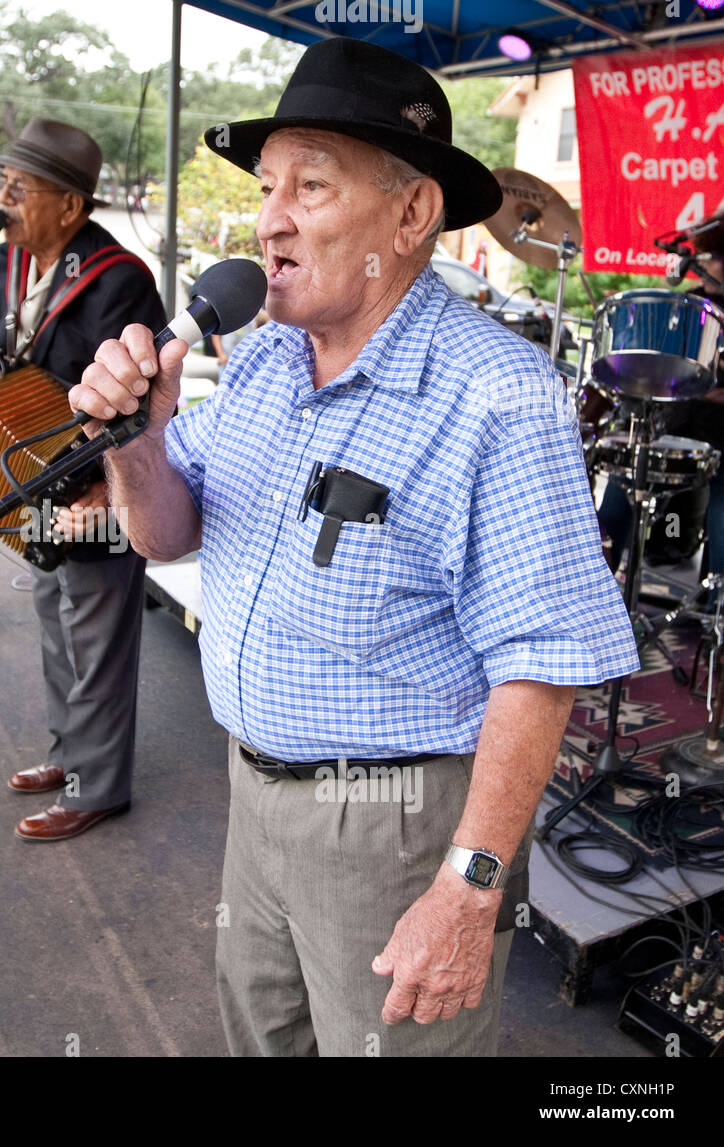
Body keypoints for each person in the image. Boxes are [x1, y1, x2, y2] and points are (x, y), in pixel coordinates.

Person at [68, 39, 638, 1055]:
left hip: (396, 831)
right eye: (267, 186)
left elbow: (542, 667)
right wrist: (139, 438)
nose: (269, 218)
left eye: (312, 186)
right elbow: (165, 532)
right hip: (249, 793)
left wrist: (467, 891)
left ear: (411, 216)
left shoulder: (496, 394)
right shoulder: (265, 358)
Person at [0, 118, 167, 842]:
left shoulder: (120, 280)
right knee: (55, 618)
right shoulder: (6, 263)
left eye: (19, 189)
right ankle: (68, 755)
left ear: (70, 205)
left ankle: (98, 786)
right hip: (36, 476)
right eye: (4, 183)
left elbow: (148, 398)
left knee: (97, 639)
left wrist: (110, 488)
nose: (4, 199)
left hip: (98, 485)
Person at [598, 222, 724, 585]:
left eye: (713, 258)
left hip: (718, 431)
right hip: (665, 422)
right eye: (707, 258)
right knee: (617, 502)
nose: (707, 265)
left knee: (722, 516)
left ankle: (713, 618)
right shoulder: (689, 306)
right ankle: (596, 592)